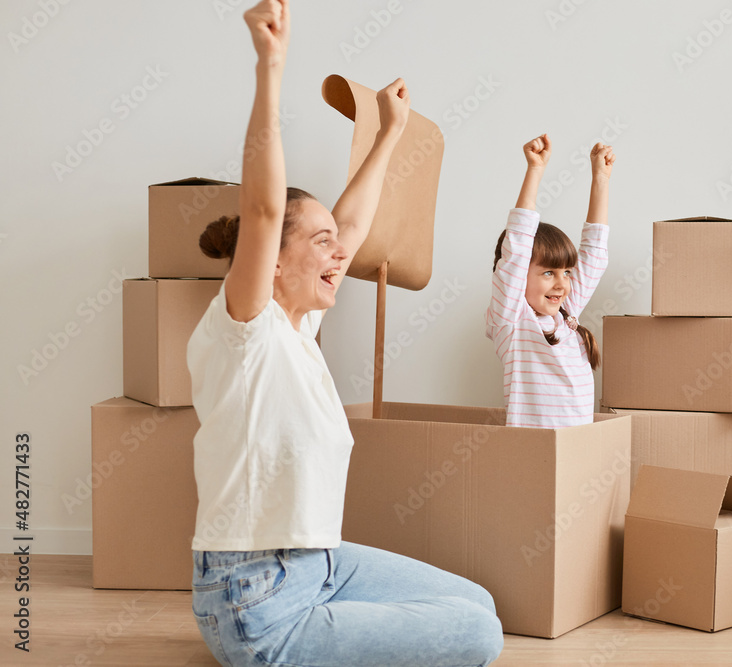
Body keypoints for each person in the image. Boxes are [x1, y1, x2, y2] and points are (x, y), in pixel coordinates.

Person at [186, 1, 503, 665]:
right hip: (256, 602)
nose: (340, 255)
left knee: (477, 601)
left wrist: (389, 131)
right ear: (271, 257)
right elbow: (264, 206)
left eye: (337, 245)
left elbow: (353, 225)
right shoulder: (248, 329)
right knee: (479, 638)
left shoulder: (300, 326)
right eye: (320, 243)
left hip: (316, 564)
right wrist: (269, 67)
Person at [486, 134, 616, 428]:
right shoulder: (512, 323)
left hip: (577, 450)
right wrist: (535, 170)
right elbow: (517, 250)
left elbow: (595, 253)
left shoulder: (567, 313)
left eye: (566, 273)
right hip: (535, 453)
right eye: (548, 273)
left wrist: (601, 178)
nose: (561, 284)